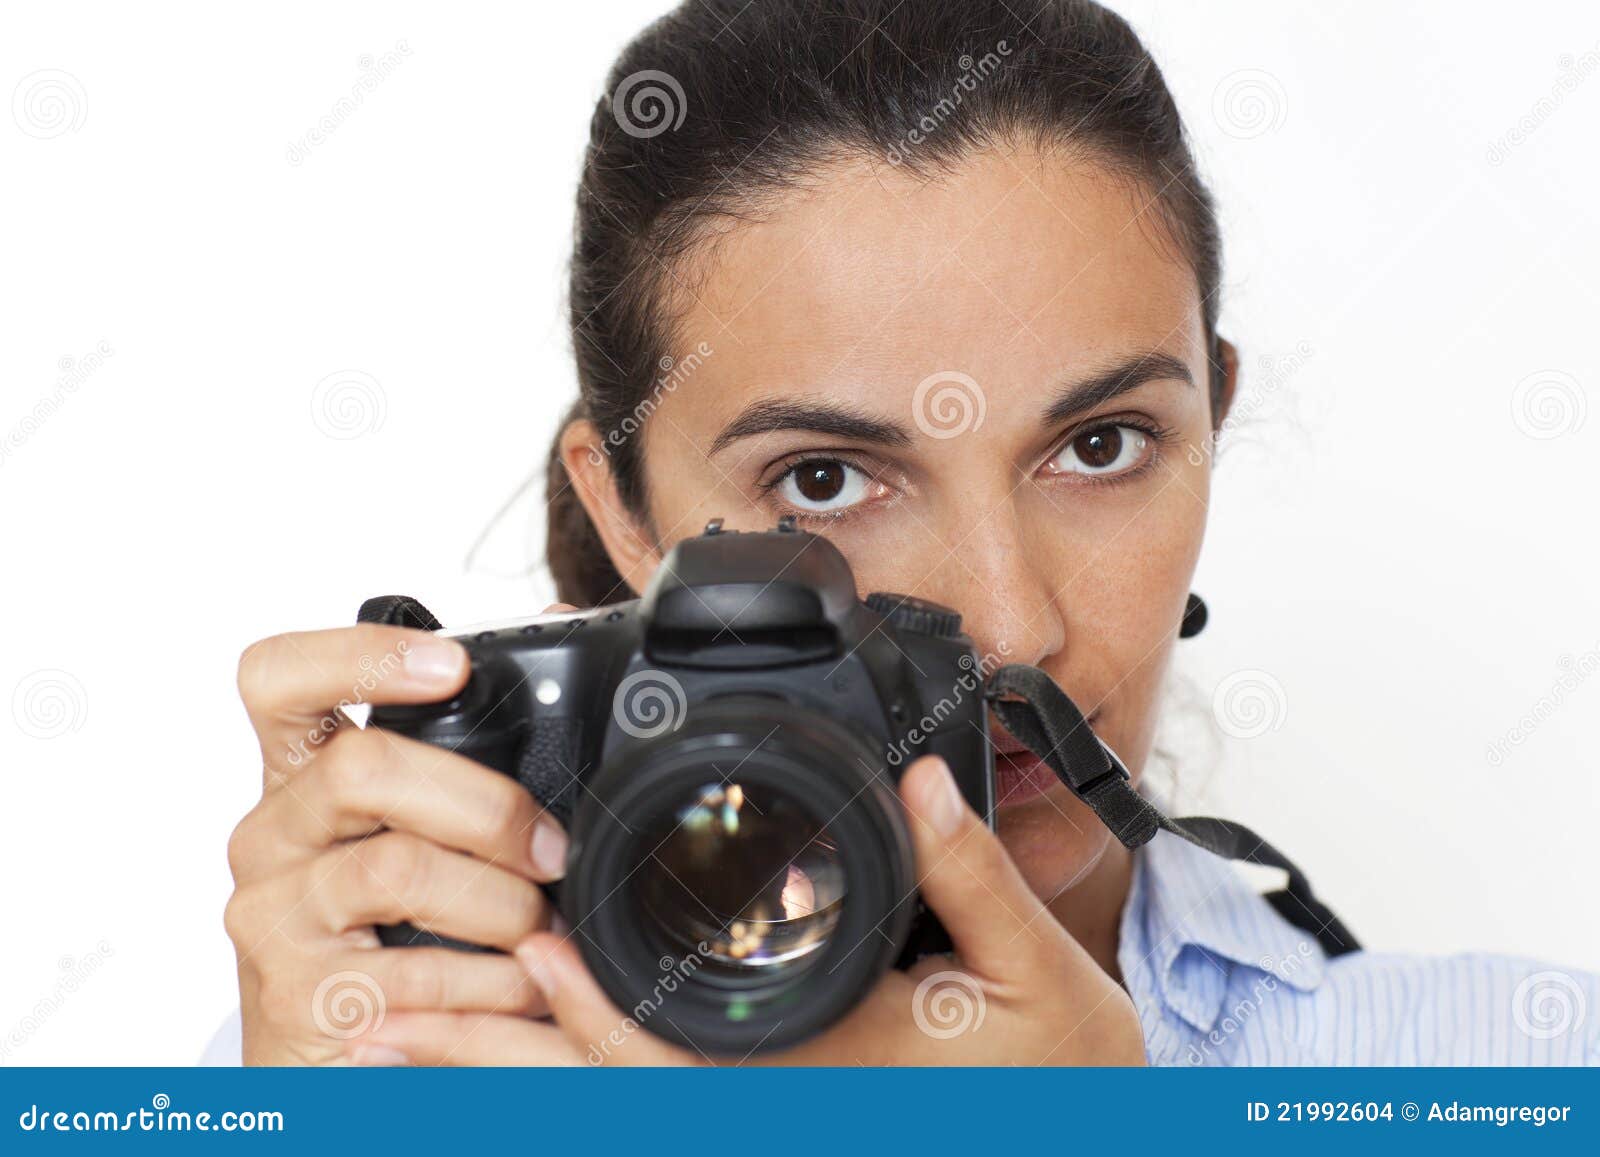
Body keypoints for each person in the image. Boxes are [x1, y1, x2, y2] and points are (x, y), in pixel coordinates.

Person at [216, 0, 1600, 1066]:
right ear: (623, 514)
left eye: (1100, 446)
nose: (1008, 623)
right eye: (823, 479)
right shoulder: (387, 1052)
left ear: (1211, 431)